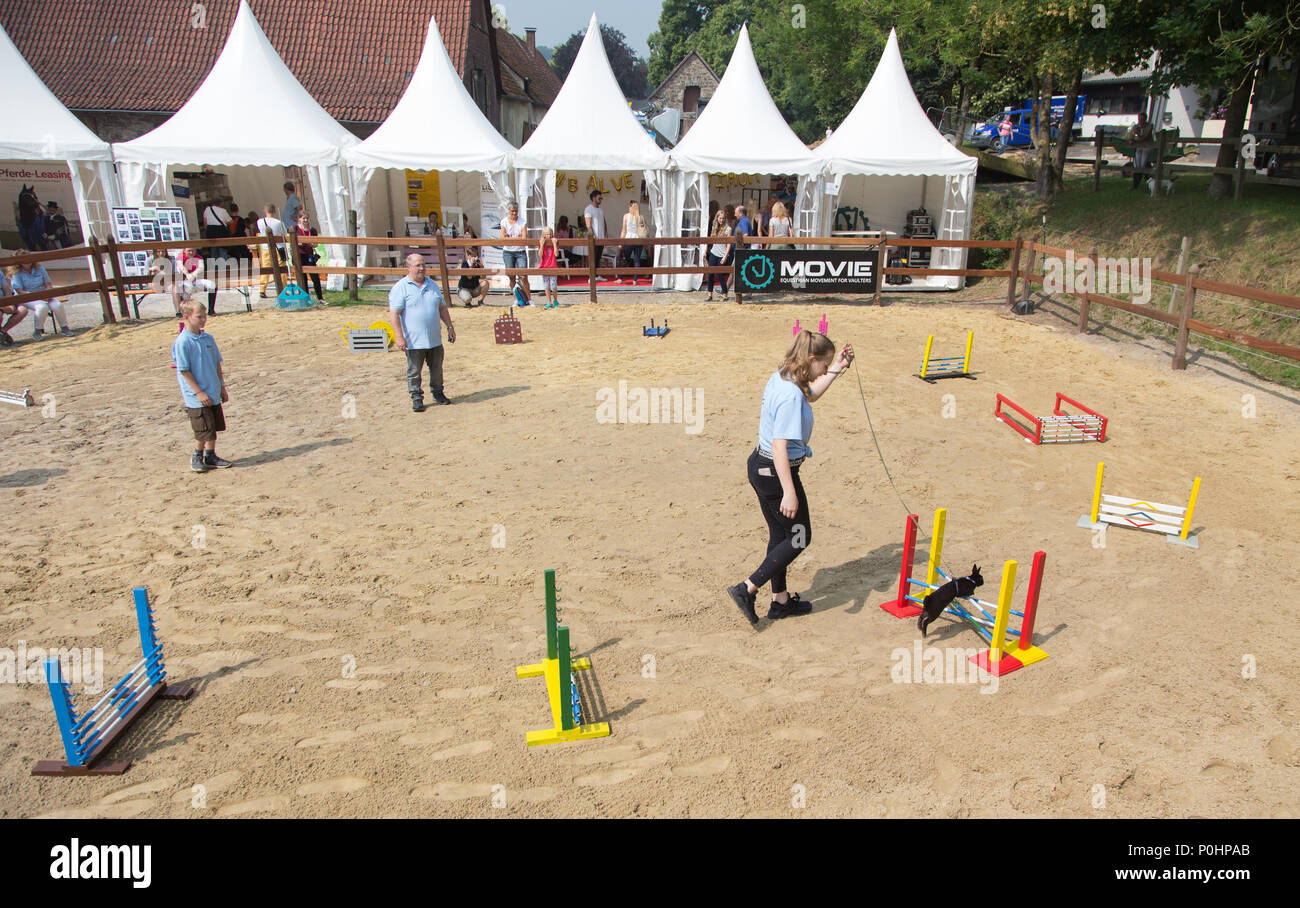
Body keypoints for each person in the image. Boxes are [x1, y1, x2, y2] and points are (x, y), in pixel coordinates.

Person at [726, 330, 856, 624]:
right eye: (824, 364)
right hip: (774, 472)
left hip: (763, 468)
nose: (823, 369)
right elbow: (779, 446)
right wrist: (789, 491)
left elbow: (810, 394)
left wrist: (838, 368)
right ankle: (747, 588)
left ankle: (780, 601)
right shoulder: (789, 396)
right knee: (799, 537)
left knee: (781, 535)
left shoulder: (786, 376)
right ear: (811, 359)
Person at [172, 296, 233, 471]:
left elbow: (217, 363)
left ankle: (210, 455)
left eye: (204, 316)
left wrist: (221, 387)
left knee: (213, 425)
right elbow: (184, 370)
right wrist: (198, 392)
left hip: (212, 390)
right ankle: (197, 456)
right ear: (187, 317)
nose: (203, 319)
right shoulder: (183, 342)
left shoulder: (208, 339)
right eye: (199, 317)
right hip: (196, 395)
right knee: (203, 429)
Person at [389, 254, 455, 412]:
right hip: (413, 341)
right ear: (409, 267)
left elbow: (442, 308)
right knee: (414, 371)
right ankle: (416, 397)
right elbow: (394, 314)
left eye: (423, 265)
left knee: (437, 369)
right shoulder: (401, 287)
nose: (422, 268)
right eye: (418, 265)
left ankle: (438, 393)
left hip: (434, 339)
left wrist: (449, 327)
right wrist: (399, 337)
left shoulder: (432, 285)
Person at [10, 260, 71, 338]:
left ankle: (64, 327)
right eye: (23, 260)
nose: (27, 262)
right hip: (27, 297)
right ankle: (37, 331)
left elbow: (48, 285)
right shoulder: (16, 273)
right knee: (42, 307)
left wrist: (47, 294)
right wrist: (38, 296)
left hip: (44, 295)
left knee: (57, 305)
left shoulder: (40, 269)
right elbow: (20, 291)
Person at [500, 201, 531, 305]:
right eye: (512, 211)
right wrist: (516, 238)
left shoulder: (522, 222)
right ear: (509, 211)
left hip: (520, 251)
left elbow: (524, 238)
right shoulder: (504, 222)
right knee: (511, 276)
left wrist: (511, 238)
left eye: (516, 211)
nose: (514, 213)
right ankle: (516, 299)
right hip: (508, 251)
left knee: (523, 277)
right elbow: (503, 238)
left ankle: (529, 299)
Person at [255, 204, 287, 297]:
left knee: (266, 268)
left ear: (265, 211)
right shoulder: (279, 222)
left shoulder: (260, 221)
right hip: (279, 247)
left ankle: (262, 289)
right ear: (275, 211)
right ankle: (283, 288)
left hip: (266, 247)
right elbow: (284, 233)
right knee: (282, 268)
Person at [290, 211, 323, 301]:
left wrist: (310, 243)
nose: (305, 220)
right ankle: (306, 299)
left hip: (309, 255)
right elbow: (296, 242)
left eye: (307, 218)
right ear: (299, 219)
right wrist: (307, 242)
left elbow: (315, 244)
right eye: (303, 218)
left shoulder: (313, 230)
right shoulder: (295, 229)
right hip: (299, 256)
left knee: (315, 278)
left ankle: (320, 298)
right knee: (303, 279)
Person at [178, 247, 219, 315]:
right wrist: (188, 275)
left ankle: (211, 310)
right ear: (184, 250)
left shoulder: (199, 257)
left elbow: (201, 268)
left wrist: (193, 275)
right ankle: (185, 312)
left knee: (212, 286)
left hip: (196, 279)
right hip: (184, 280)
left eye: (193, 250)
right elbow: (181, 267)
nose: (191, 252)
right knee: (187, 290)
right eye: (189, 251)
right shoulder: (180, 257)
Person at [704, 210, 732, 302]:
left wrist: (725, 256)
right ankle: (709, 294)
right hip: (713, 253)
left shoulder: (728, 229)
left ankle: (725, 293)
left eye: (723, 218)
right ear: (717, 218)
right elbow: (710, 241)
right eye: (720, 218)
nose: (721, 220)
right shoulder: (714, 227)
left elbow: (729, 244)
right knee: (710, 274)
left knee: (720, 275)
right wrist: (705, 251)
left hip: (722, 254)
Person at [0, 263, 30, 345]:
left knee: (22, 310)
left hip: (4, 301)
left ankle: (2, 332)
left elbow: (6, 289)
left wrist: (10, 303)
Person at [621, 200, 647, 285]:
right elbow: (644, 230)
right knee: (637, 260)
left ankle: (621, 278)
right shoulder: (641, 217)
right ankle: (635, 280)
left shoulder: (626, 216)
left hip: (629, 239)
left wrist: (620, 242)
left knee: (625, 259)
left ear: (631, 207)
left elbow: (624, 231)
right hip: (638, 239)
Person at [1129, 111, 1155, 190]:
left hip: (1147, 146)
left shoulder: (1149, 126)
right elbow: (1131, 136)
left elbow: (1146, 137)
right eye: (1139, 119)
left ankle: (1144, 181)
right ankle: (1136, 184)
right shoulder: (1136, 126)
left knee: (1142, 162)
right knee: (1137, 164)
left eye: (1142, 119)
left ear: (1145, 119)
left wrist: (1136, 139)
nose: (1140, 121)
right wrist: (1132, 136)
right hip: (1139, 147)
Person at [583, 189, 606, 276]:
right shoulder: (588, 209)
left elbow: (603, 222)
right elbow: (588, 224)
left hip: (601, 237)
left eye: (601, 198)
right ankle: (592, 277)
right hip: (594, 238)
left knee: (598, 258)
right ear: (593, 198)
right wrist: (592, 235)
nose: (601, 199)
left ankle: (597, 275)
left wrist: (605, 234)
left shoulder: (600, 210)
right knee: (593, 258)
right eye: (599, 197)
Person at [538, 227, 560, 306]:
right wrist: (542, 245)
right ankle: (548, 301)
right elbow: (540, 255)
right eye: (547, 234)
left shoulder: (555, 242)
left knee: (553, 286)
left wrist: (554, 244)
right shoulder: (542, 243)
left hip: (553, 266)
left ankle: (555, 300)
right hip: (544, 266)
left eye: (550, 234)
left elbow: (556, 254)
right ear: (544, 235)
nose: (549, 236)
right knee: (546, 286)